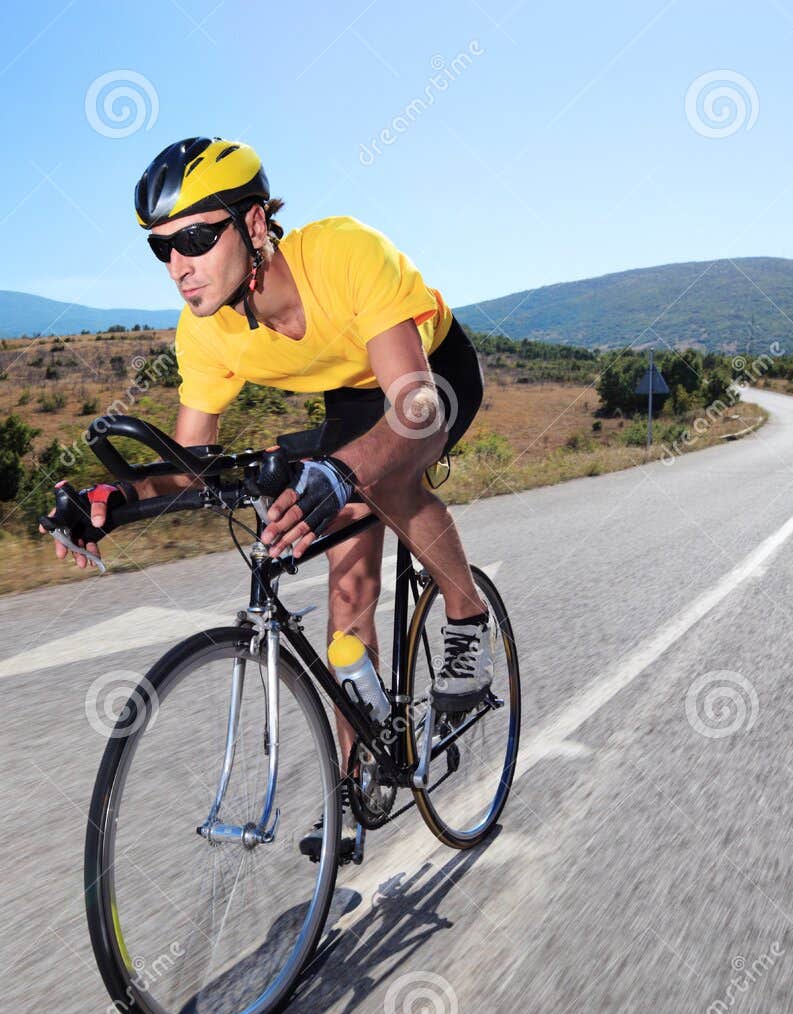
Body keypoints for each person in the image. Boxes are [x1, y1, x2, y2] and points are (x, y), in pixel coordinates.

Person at [46, 135, 492, 749]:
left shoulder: (344, 253)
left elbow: (415, 408)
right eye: (161, 247)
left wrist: (341, 472)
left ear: (253, 222)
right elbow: (190, 466)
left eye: (196, 239)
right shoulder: (205, 331)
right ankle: (356, 783)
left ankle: (468, 620)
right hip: (352, 393)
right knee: (348, 580)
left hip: (427, 371)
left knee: (381, 484)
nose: (179, 266)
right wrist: (117, 501)